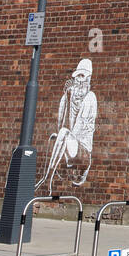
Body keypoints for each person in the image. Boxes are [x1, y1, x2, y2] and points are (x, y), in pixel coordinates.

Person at [35, 57, 98, 194]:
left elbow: (78, 130)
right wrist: (66, 99)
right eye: (77, 76)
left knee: (63, 133)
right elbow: (60, 125)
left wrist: (63, 134)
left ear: (88, 78)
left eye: (82, 76)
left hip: (83, 152)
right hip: (70, 150)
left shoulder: (90, 98)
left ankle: (47, 178)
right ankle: (49, 175)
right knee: (55, 135)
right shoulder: (67, 97)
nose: (78, 80)